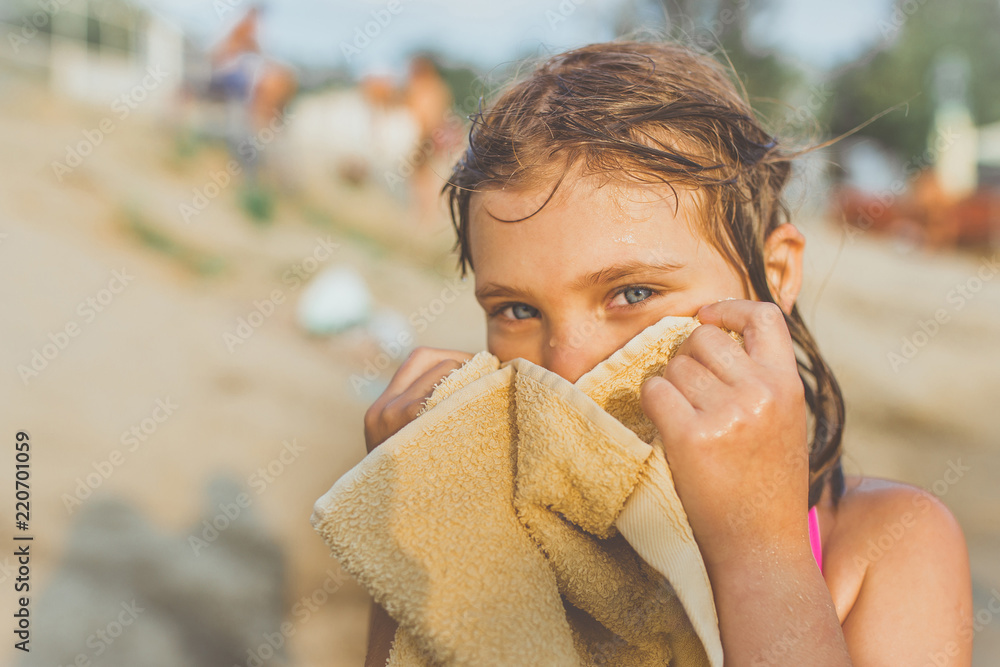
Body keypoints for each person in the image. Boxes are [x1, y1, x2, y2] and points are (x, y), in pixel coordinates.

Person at [361, 40, 973, 666]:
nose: (568, 368)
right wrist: (414, 528)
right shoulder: (502, 535)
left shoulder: (887, 548)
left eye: (632, 293)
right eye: (518, 311)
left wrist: (759, 548)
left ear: (776, 273)